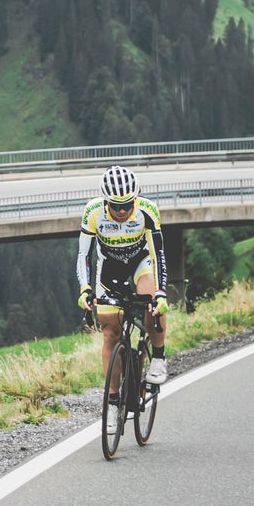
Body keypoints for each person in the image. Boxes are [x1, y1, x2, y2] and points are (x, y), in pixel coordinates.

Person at [76, 165, 170, 385]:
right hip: (110, 268)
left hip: (141, 262)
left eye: (127, 205)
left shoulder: (147, 210)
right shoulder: (93, 212)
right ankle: (112, 402)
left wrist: (161, 293)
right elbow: (84, 255)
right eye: (116, 206)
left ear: (135, 200)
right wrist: (85, 289)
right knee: (110, 332)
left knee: (151, 301)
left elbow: (158, 255)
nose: (122, 211)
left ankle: (158, 356)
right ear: (106, 201)